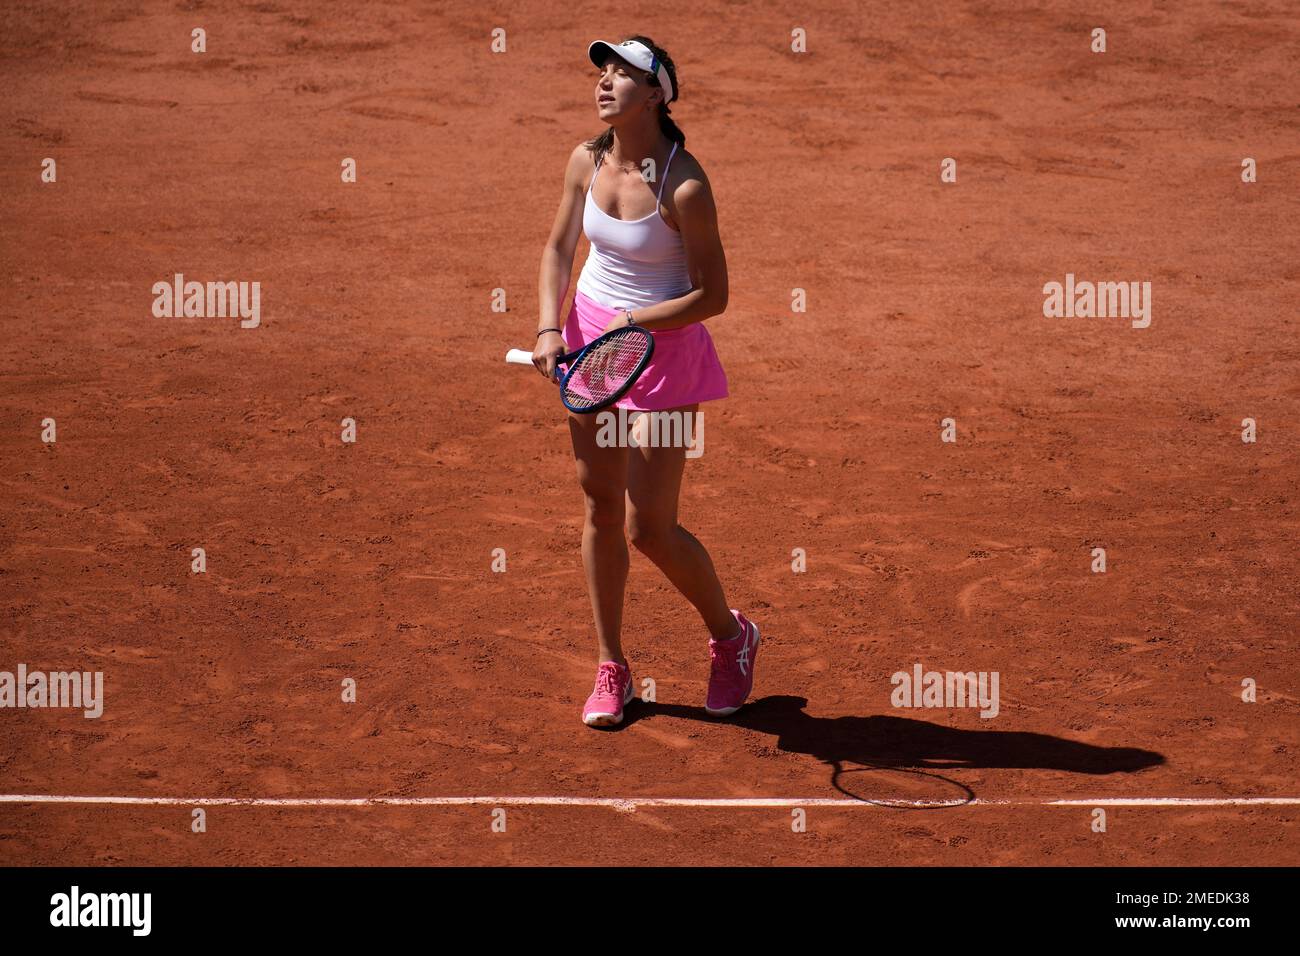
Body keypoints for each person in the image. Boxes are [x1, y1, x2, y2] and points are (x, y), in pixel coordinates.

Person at [533, 36, 759, 728]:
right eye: (602, 71)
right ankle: (613, 666)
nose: (605, 82)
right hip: (592, 346)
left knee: (649, 529)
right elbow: (560, 248)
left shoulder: (684, 185)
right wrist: (550, 328)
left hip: (662, 357)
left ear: (657, 93)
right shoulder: (586, 158)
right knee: (601, 507)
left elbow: (712, 296)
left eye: (623, 73)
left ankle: (731, 635)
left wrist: (634, 320)